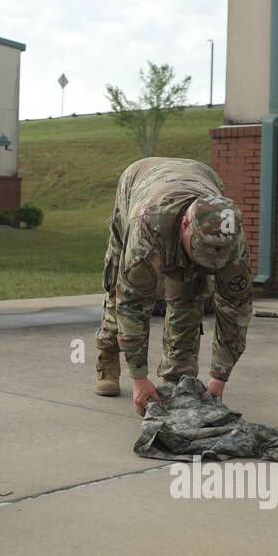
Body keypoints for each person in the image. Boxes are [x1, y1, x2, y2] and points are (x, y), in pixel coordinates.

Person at [95, 157, 254, 415]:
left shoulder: (231, 240)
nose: (208, 262)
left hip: (202, 175)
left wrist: (219, 376)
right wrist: (139, 378)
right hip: (139, 181)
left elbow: (236, 309)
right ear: (185, 226)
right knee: (119, 288)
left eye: (216, 258)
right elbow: (132, 303)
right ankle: (107, 357)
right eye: (200, 251)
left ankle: (177, 377)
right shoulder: (147, 227)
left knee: (190, 295)